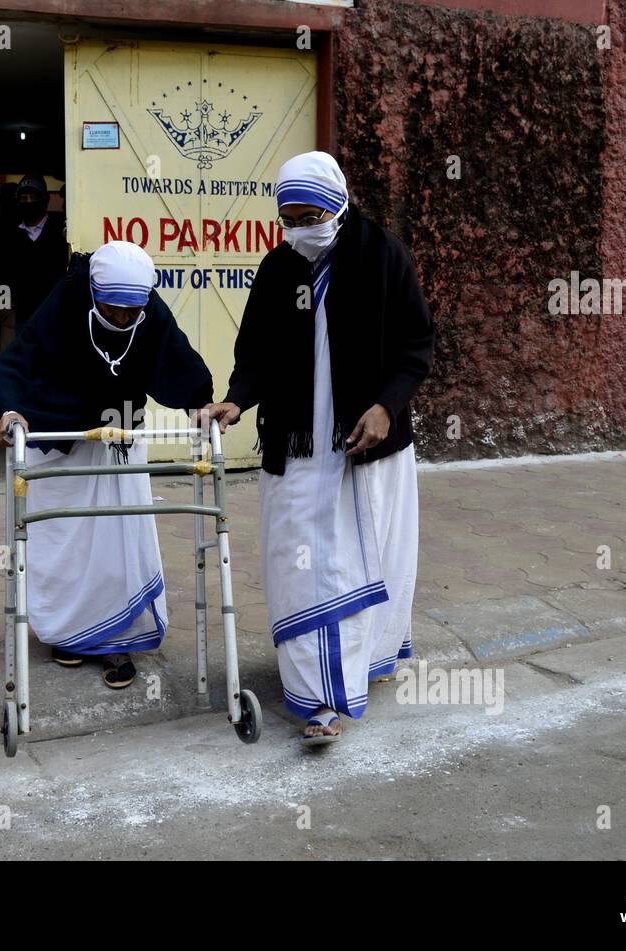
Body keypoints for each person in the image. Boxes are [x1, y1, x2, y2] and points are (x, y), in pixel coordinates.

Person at [198, 151, 434, 745]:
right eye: (290, 218)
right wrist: (237, 399)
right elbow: (256, 353)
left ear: (338, 205)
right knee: (300, 564)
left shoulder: (383, 255)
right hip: (297, 446)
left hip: (365, 445)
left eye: (310, 215)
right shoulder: (279, 267)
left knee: (359, 557)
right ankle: (316, 690)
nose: (301, 228)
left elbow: (416, 345)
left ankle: (346, 681)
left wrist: (385, 406)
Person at [0, 241, 212, 688]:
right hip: (58, 435)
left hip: (118, 434)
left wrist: (200, 405)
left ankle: (118, 640)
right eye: (113, 311)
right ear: (94, 293)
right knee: (63, 537)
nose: (124, 319)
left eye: (133, 313)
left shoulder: (145, 307)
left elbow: (178, 359)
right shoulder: (67, 300)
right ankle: (70, 635)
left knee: (117, 536)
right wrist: (9, 411)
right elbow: (18, 360)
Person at [0, 174, 69, 433]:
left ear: (46, 200)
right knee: (6, 363)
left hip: (51, 312)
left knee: (50, 365)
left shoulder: (60, 231)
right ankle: (1, 420)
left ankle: (46, 418)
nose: (28, 202)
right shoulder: (7, 231)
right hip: (14, 311)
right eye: (23, 198)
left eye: (33, 197)